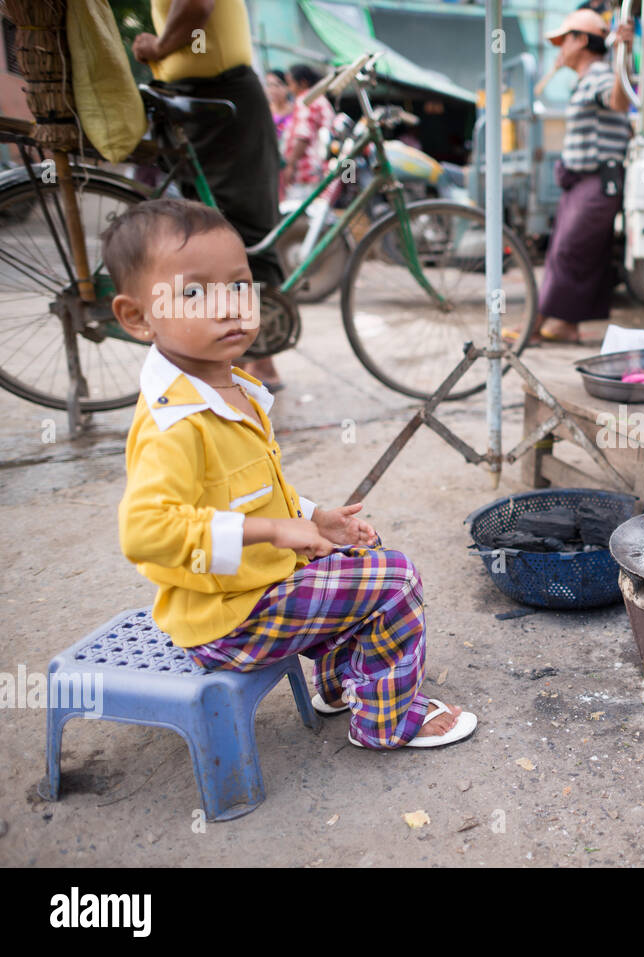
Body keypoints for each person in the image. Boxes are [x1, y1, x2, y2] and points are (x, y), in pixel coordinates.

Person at [107, 199, 475, 749]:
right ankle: (386, 722)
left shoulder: (233, 386)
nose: (229, 307)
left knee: (364, 554)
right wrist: (278, 533)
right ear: (137, 317)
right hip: (224, 621)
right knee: (396, 581)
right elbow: (146, 533)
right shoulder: (174, 423)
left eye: (238, 285)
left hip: (256, 589)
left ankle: (338, 686)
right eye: (192, 292)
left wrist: (312, 519)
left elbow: (252, 491)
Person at [131, 0, 286, 391]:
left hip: (217, 103)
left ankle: (255, 355)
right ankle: (252, 357)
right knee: (238, 232)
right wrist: (159, 49)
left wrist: (158, 47)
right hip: (208, 106)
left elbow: (196, 6)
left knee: (230, 230)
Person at [509, 9, 635, 344]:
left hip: (596, 183)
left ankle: (530, 328)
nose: (560, 48)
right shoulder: (584, 79)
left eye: (564, 40)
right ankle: (566, 325)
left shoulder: (600, 74)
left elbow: (619, 102)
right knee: (570, 255)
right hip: (579, 183)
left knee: (567, 252)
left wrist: (624, 56)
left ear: (582, 41)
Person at [281, 63, 337, 202]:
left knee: (299, 214)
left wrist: (290, 165)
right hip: (319, 168)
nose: (289, 88)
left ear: (303, 83)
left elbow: (303, 136)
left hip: (307, 170)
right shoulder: (319, 99)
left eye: (290, 83)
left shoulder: (306, 100)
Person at [264, 68, 294, 148]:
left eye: (277, 85)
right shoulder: (264, 111)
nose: (273, 90)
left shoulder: (295, 110)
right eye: (269, 85)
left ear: (287, 87)